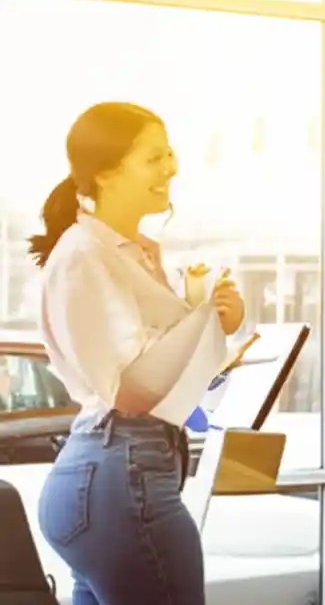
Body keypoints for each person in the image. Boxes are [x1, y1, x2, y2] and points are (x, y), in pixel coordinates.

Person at [29, 102, 247, 605]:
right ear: (106, 171)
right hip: (120, 474)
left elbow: (164, 376)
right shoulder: (84, 253)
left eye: (169, 153)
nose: (171, 167)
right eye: (153, 157)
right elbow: (129, 389)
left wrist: (213, 319)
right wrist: (198, 318)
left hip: (120, 477)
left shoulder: (134, 253)